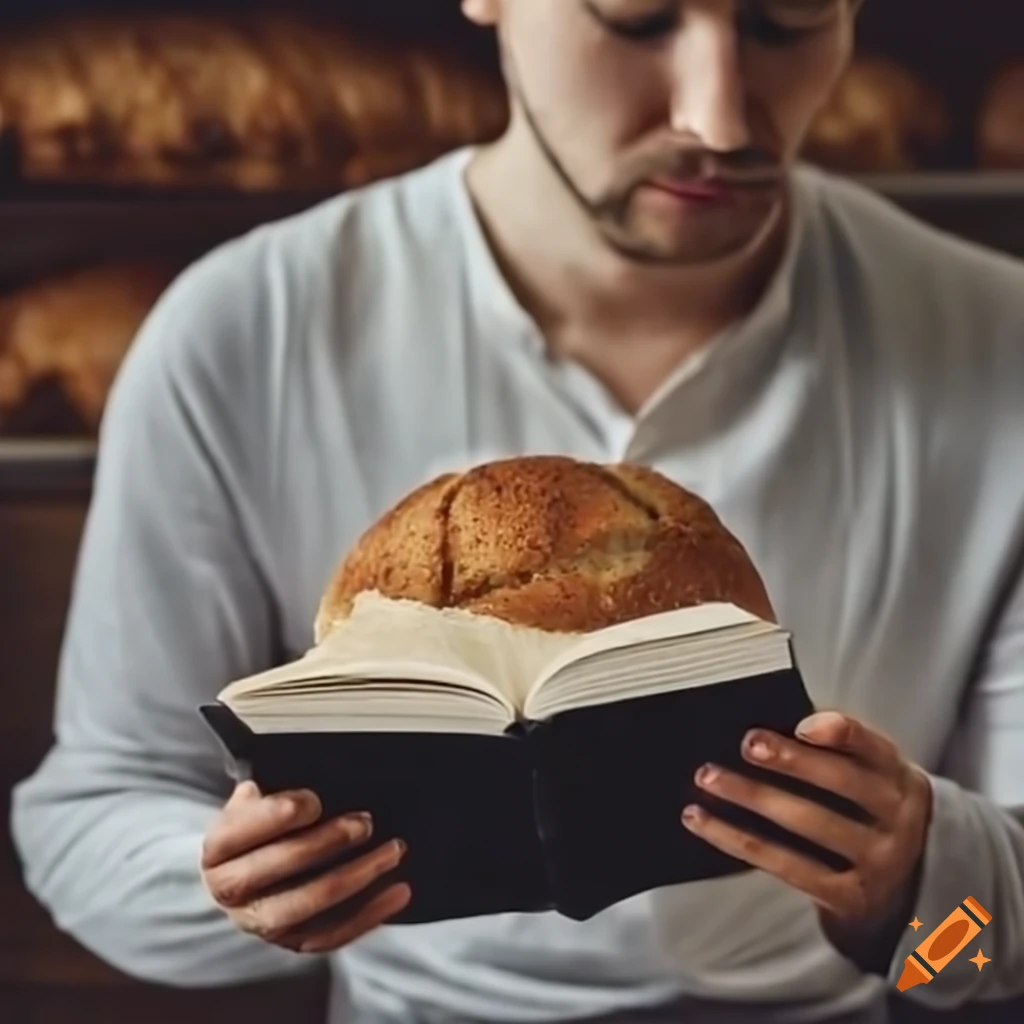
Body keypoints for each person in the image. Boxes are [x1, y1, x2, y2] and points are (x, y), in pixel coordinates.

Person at [10, 1, 1024, 1022]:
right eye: (633, 20)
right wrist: (227, 886)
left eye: (786, 22)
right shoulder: (241, 331)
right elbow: (84, 821)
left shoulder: (1000, 350)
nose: (716, 117)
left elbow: (985, 956)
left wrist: (917, 901)